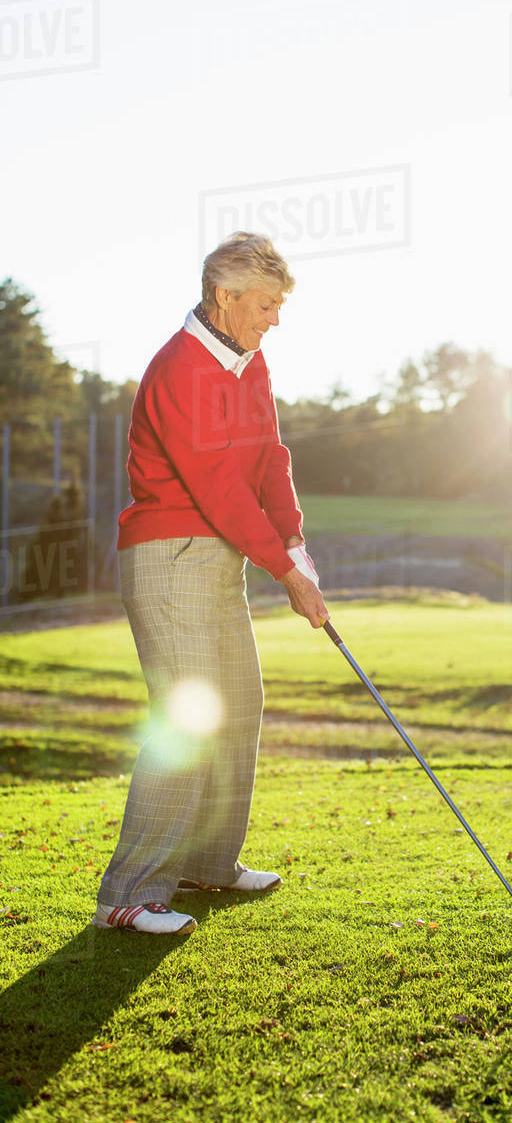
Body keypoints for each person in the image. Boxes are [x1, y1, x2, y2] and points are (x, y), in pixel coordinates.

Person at [92, 232, 329, 935]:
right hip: (168, 559)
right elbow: (221, 489)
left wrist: (294, 541)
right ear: (224, 298)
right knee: (187, 722)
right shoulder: (181, 370)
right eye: (265, 304)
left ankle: (207, 864)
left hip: (219, 561)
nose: (274, 319)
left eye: (279, 305)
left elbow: (267, 458)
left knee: (239, 709)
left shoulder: (247, 361)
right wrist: (285, 573)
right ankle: (128, 896)